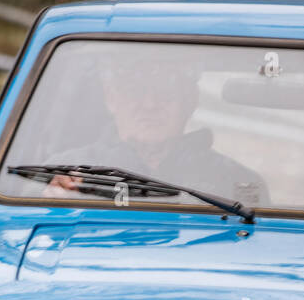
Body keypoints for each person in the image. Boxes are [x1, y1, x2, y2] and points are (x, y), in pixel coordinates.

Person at [41, 52, 267, 206]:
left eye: (165, 92)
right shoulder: (62, 173)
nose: (150, 105)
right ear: (111, 99)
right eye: (135, 91)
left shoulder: (235, 180)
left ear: (190, 100)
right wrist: (54, 202)